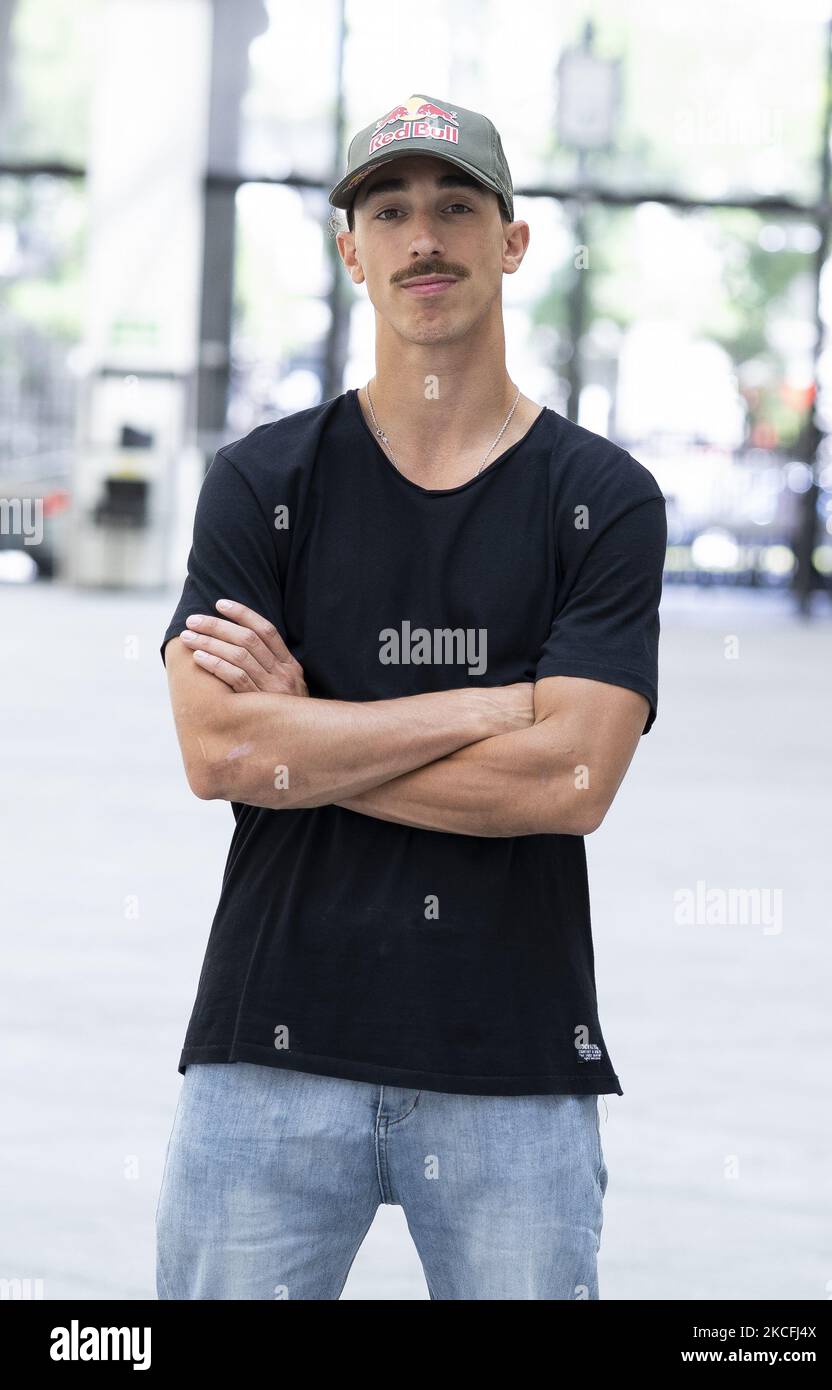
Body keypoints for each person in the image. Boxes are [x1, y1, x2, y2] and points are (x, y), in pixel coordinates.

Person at [155, 93, 667, 1301]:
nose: (420, 237)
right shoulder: (260, 481)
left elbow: (571, 779)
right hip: (267, 1050)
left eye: (453, 207)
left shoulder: (601, 498)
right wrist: (489, 707)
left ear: (512, 240)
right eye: (387, 212)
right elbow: (220, 753)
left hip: (514, 1063)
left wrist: (310, 733)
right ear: (351, 250)